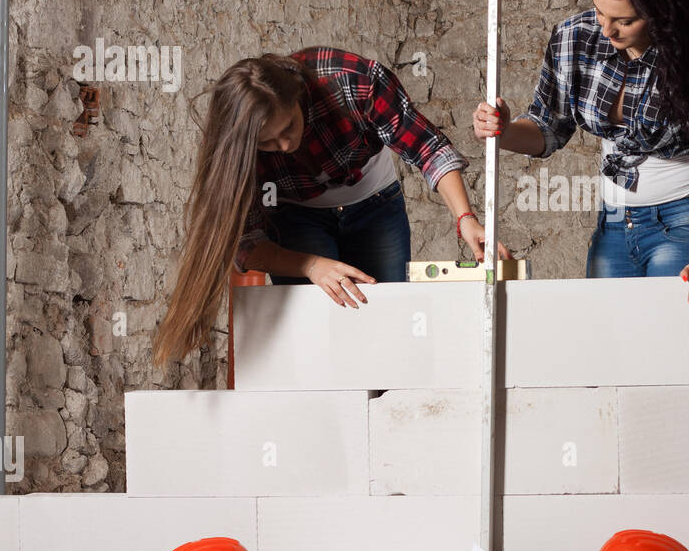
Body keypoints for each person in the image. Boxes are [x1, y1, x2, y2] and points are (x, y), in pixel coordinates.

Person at [153, 46, 506, 367]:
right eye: (268, 143)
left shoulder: (352, 80)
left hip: (375, 202)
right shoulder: (235, 148)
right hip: (294, 216)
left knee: (383, 326)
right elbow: (245, 245)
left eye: (289, 127)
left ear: (297, 96)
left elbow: (427, 149)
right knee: (319, 336)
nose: (287, 144)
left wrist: (465, 219)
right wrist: (310, 265)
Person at [473, 0, 689, 309]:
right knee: (612, 353)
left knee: (670, 351)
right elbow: (547, 129)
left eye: (625, 20)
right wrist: (503, 131)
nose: (607, 29)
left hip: (685, 218)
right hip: (614, 223)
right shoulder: (574, 38)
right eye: (600, 12)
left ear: (659, 11)